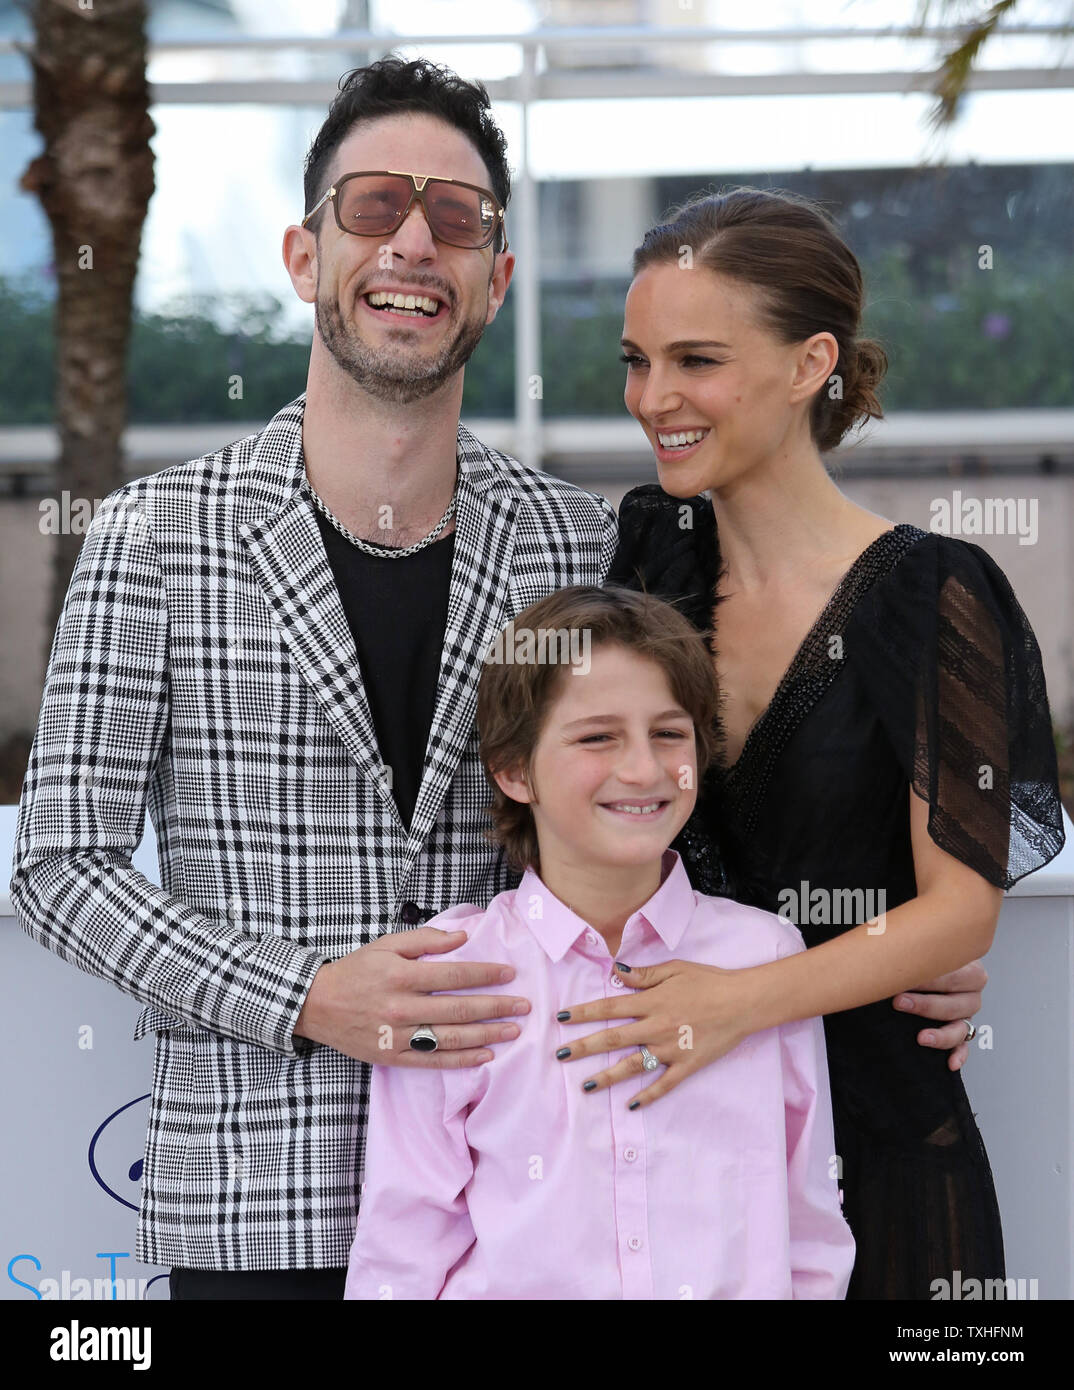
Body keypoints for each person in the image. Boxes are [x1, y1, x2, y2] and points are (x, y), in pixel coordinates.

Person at [7, 57, 619, 1300]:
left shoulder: (576, 543)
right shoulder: (154, 535)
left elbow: (651, 814)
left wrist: (889, 934)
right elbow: (59, 864)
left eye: (455, 219)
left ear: (494, 280)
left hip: (515, 1188)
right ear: (304, 256)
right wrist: (306, 994)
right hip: (254, 1195)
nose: (412, 242)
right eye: (372, 206)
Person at [593, 187, 1067, 1299]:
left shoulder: (937, 593)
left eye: (696, 360)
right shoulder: (645, 559)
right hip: (674, 1157)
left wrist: (733, 999)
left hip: (885, 1154)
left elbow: (960, 908)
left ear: (813, 364)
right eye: (636, 360)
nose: (653, 398)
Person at [344, 585, 856, 1299]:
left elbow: (811, 1223)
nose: (644, 770)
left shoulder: (766, 956)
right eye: (597, 737)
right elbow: (403, 1249)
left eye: (669, 734)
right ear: (514, 769)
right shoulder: (452, 973)